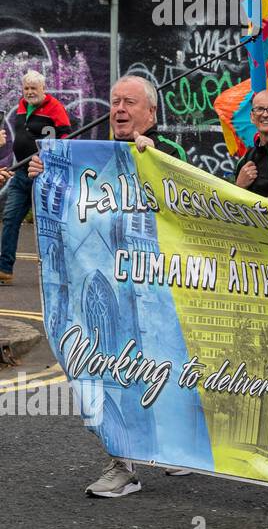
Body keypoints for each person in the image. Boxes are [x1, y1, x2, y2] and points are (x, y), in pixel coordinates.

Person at [29, 75, 187, 498]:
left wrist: (158, 164)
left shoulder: (168, 153)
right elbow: (71, 210)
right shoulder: (92, 156)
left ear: (151, 113)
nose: (119, 108)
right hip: (101, 289)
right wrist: (44, 174)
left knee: (163, 374)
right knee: (106, 370)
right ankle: (123, 464)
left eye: (129, 102)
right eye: (115, 101)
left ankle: (171, 447)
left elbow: (187, 205)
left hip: (155, 291)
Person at [1, 71, 71, 285]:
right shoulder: (22, 106)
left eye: (34, 88)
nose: (30, 92)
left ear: (43, 89)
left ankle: (60, 273)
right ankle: (4, 269)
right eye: (27, 88)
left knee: (52, 224)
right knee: (10, 218)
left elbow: (66, 136)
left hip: (44, 175)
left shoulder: (55, 108)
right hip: (21, 173)